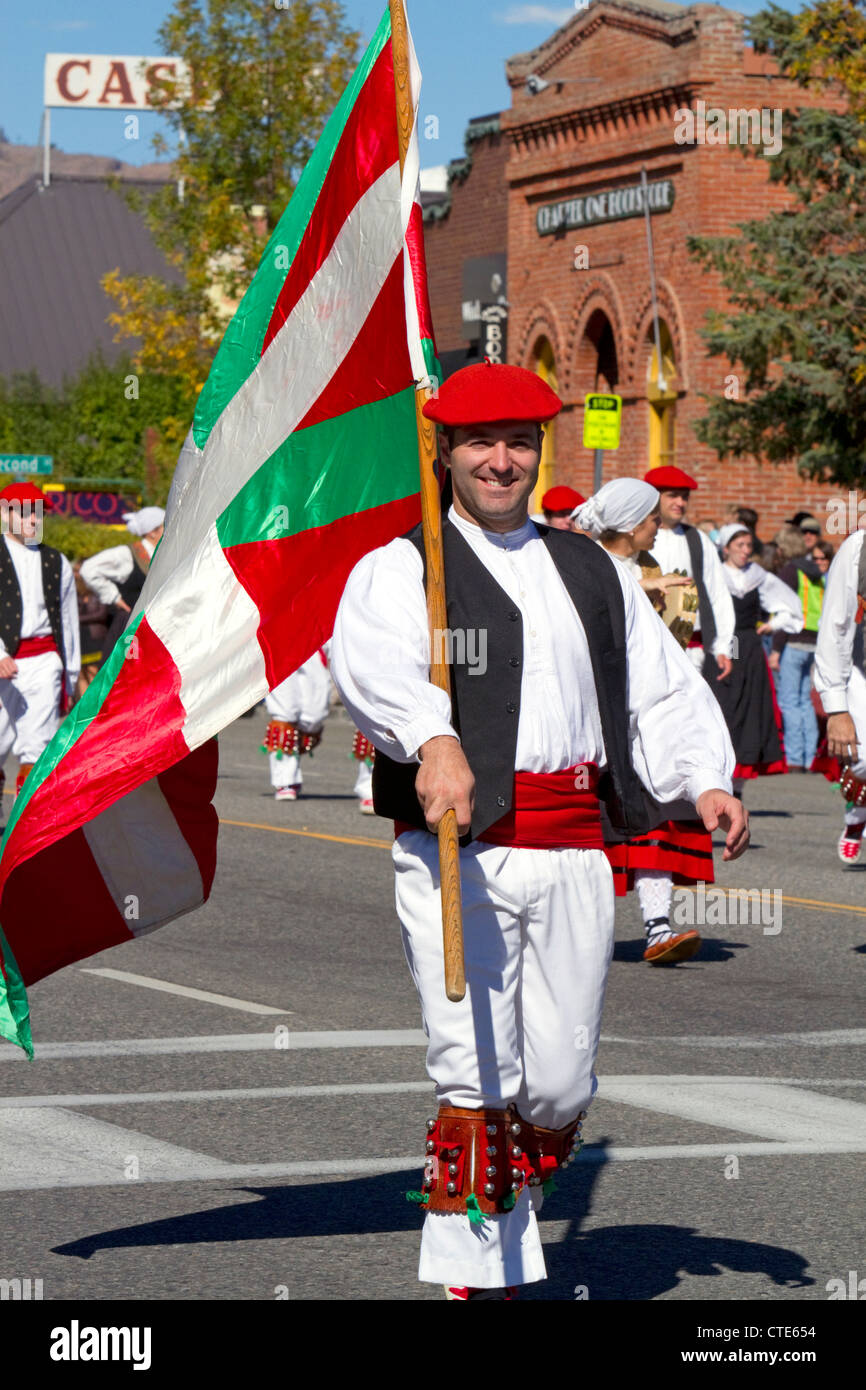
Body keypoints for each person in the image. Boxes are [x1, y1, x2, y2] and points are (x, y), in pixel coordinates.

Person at [330, 362, 746, 1299]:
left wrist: (704, 780)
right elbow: (375, 666)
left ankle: (505, 1188)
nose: (501, 460)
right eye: (480, 442)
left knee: (557, 1084)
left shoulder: (591, 566)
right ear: (444, 452)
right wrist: (432, 737)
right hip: (458, 851)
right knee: (476, 1068)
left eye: (519, 441)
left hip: (572, 850)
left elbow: (657, 687)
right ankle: (479, 1272)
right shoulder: (406, 567)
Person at [576, 478, 729, 964]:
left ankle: (657, 928)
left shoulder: (647, 568)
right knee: (589, 832)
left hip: (645, 717)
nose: (659, 525)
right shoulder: (586, 566)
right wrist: (649, 589)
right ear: (629, 524)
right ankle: (578, 934)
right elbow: (602, 600)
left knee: (655, 819)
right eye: (652, 519)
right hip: (594, 720)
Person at [0, 482, 80, 799]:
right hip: (6, 660)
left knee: (39, 745)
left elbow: (68, 623)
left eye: (39, 515)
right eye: (25, 514)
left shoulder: (56, 561)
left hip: (45, 659)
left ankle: (24, 830)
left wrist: (69, 677)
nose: (34, 521)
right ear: (6, 514)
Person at [714, 524, 803, 793]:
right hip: (723, 644)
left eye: (748, 546)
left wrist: (773, 625)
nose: (745, 551)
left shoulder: (757, 575)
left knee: (749, 710)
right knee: (724, 706)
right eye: (739, 545)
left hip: (747, 645)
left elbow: (790, 607)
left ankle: (738, 783)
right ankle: (717, 776)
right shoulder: (715, 574)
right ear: (726, 548)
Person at [644, 466, 735, 684]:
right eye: (672, 496)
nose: (680, 503)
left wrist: (725, 647)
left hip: (691, 647)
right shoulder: (636, 535)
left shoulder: (698, 540)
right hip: (645, 644)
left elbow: (718, 594)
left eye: (685, 497)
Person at [812, 529, 866, 862]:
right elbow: (836, 624)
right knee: (863, 759)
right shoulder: (858, 548)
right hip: (861, 669)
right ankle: (856, 814)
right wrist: (836, 707)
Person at [79, 507, 165, 662]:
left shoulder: (162, 553)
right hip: (131, 628)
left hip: (155, 627)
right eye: (164, 526)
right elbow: (89, 569)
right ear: (152, 531)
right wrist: (114, 597)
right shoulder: (127, 554)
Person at [771, 525, 824, 771]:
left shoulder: (790, 572)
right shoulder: (816, 571)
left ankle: (793, 758)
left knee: (790, 700)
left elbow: (785, 613)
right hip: (814, 640)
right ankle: (810, 757)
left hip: (793, 640)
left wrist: (776, 649)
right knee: (804, 700)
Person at [262, 651, 330, 801]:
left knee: (314, 715)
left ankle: (291, 767)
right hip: (279, 645)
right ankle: (285, 782)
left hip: (311, 644)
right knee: (284, 714)